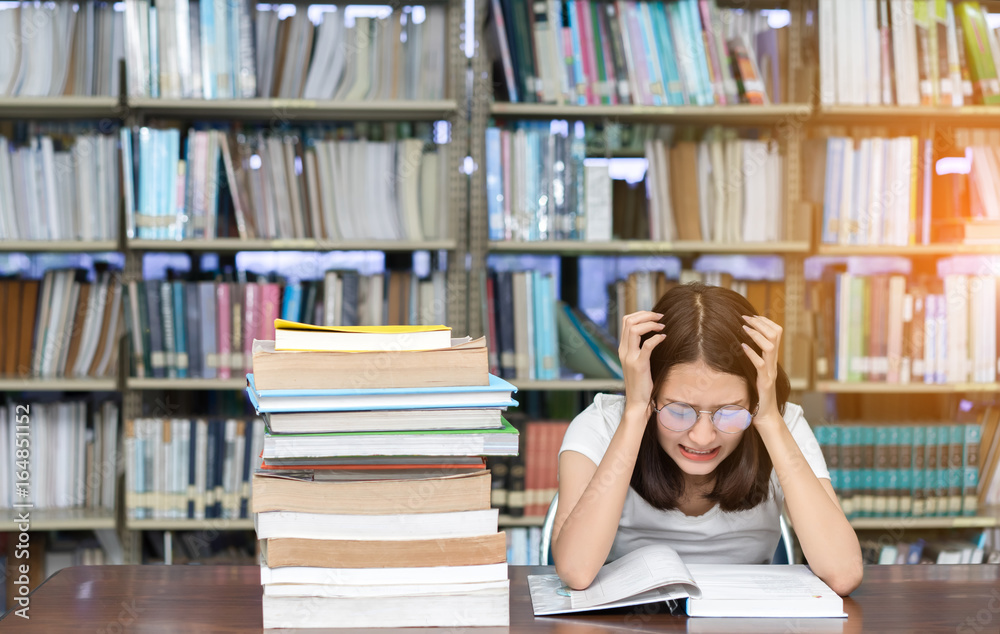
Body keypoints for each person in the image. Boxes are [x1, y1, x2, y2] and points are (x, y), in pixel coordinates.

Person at [552, 282, 863, 596]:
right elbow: (576, 571)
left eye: (729, 412)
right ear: (650, 392)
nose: (702, 437)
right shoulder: (602, 425)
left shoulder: (780, 425)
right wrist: (635, 412)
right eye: (678, 410)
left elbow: (843, 573)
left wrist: (768, 419)